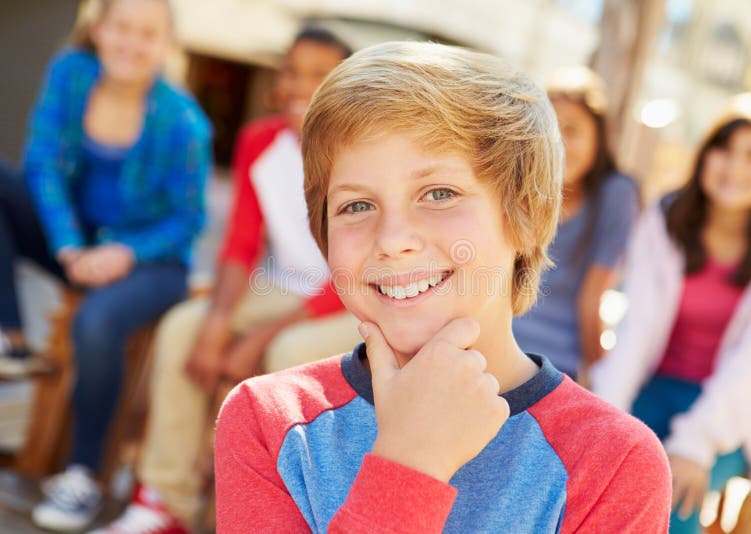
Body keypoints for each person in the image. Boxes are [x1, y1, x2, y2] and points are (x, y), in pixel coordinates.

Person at [214, 41, 671, 533]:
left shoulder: (614, 464)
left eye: (439, 194)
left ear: (525, 218)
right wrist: (410, 464)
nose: (392, 241)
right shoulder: (268, 422)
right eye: (356, 206)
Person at [92, 27, 356, 534]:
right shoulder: (260, 140)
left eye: (320, 76)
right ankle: (165, 501)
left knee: (286, 357)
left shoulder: (358, 151)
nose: (301, 85)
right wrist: (217, 320)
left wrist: (260, 335)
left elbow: (356, 271)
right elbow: (241, 242)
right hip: (283, 286)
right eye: (291, 71)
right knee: (183, 327)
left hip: (352, 301)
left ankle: (263, 519)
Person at [0, 0, 211, 530]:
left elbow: (188, 220)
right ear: (99, 28)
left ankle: (83, 477)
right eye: (122, 28)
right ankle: (10, 337)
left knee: (96, 322)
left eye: (147, 34)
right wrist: (70, 246)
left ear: (164, 43)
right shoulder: (70, 74)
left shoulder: (184, 121)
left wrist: (122, 253)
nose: (131, 44)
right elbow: (42, 163)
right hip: (77, 241)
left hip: (152, 260)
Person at [591, 93, 751, 533]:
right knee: (601, 480)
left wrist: (695, 445)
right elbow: (636, 330)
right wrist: (608, 418)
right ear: (705, 154)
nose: (734, 166)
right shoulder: (666, 219)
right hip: (652, 387)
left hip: (735, 414)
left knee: (671, 494)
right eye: (724, 148)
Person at [512, 67, 639, 382]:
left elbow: (592, 298)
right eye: (549, 128)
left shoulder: (616, 193)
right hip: (491, 347)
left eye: (572, 130)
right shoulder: (515, 186)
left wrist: (598, 380)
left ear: (599, 138)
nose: (558, 143)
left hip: (556, 363)